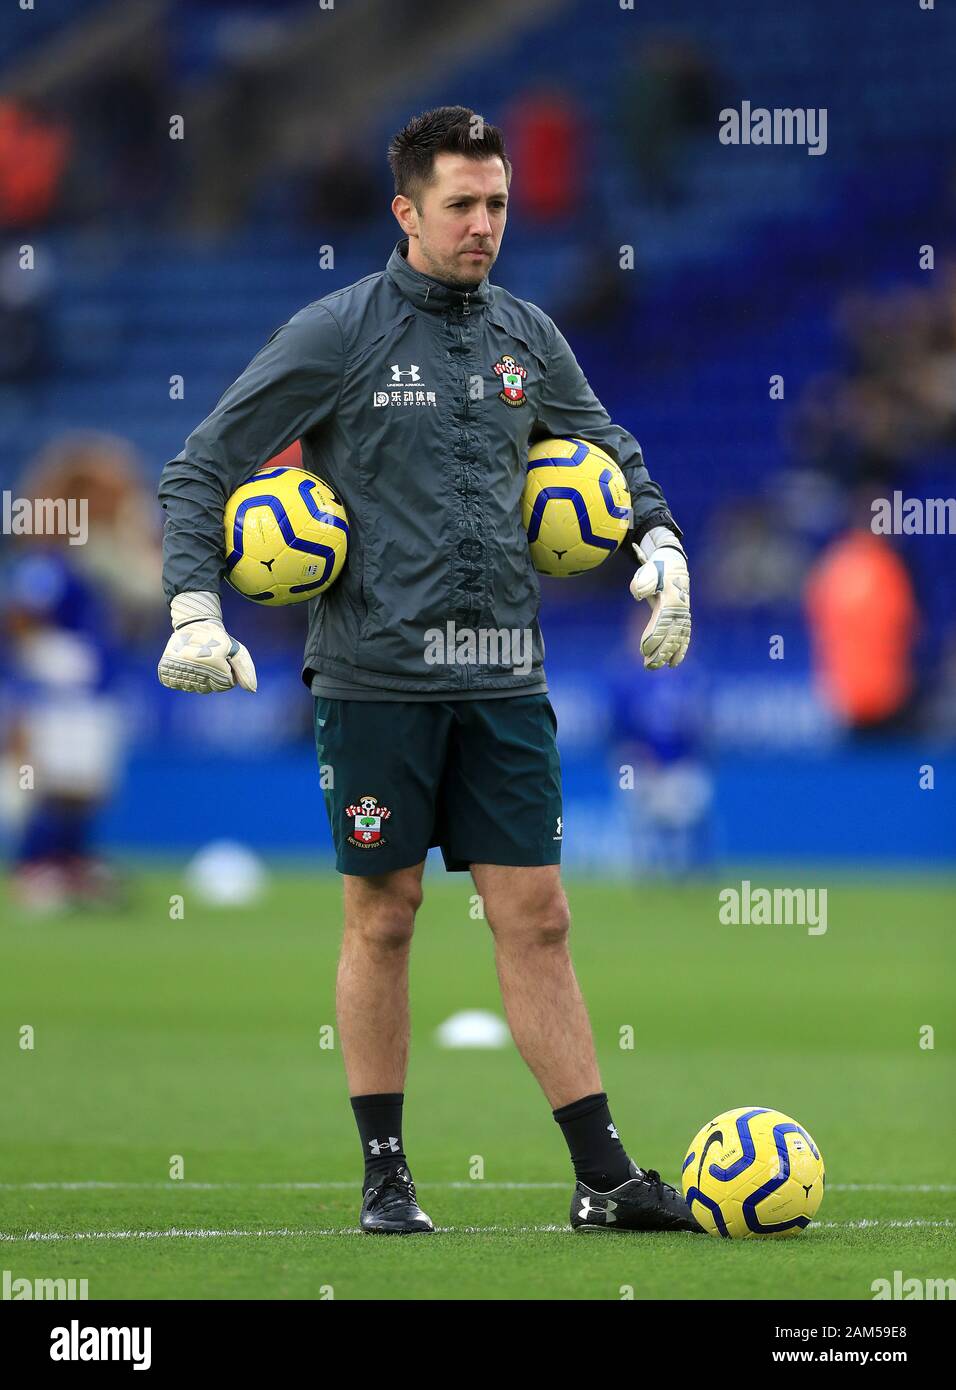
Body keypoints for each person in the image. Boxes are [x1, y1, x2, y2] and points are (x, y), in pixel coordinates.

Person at [157, 107, 695, 1236]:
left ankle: (603, 1178)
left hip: (504, 675)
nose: (485, 224)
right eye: (462, 204)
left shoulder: (529, 337)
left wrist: (662, 548)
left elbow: (610, 453)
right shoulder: (336, 333)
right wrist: (196, 608)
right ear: (407, 211)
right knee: (385, 915)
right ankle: (387, 1174)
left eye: (497, 203)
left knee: (537, 915)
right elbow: (203, 463)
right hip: (374, 678)